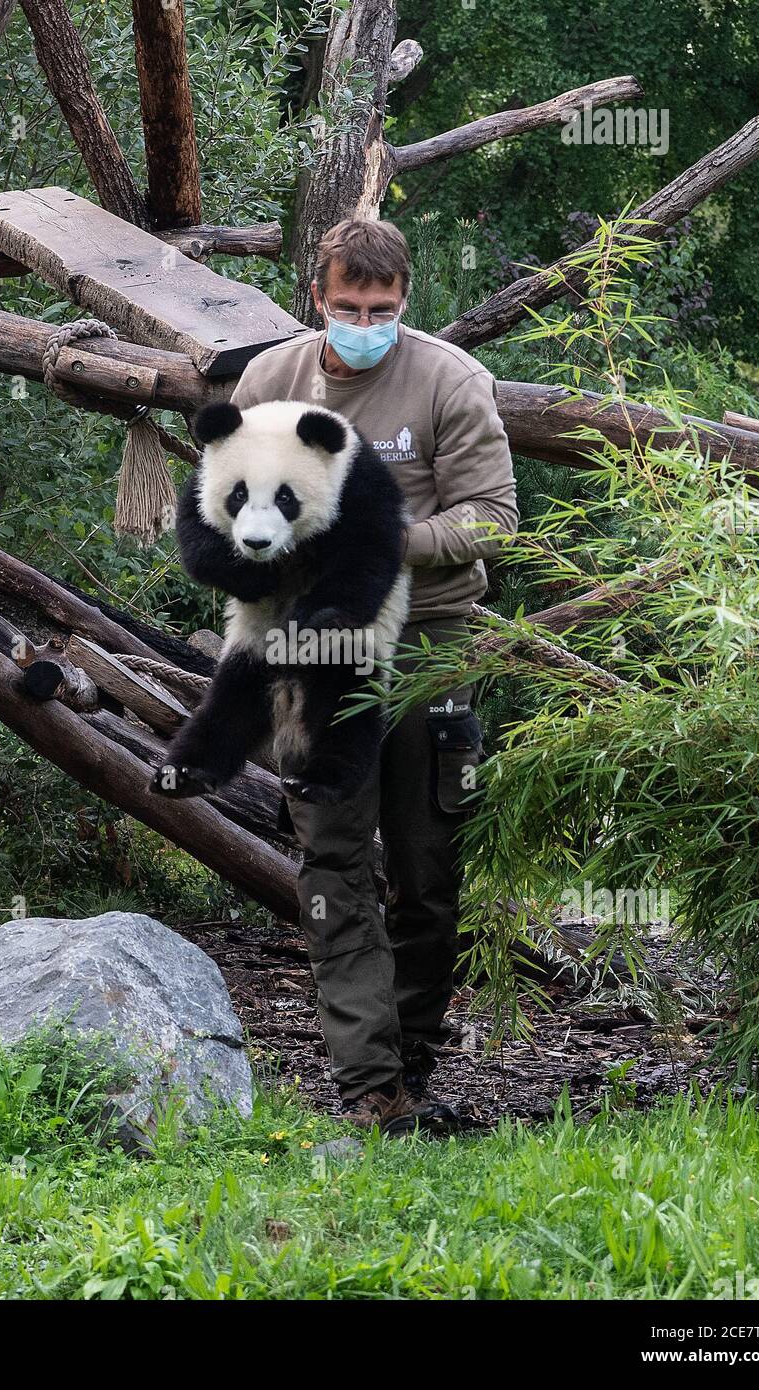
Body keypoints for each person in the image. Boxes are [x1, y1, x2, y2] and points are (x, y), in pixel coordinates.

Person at [230, 218, 519, 1132]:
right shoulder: (267, 380)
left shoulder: (446, 380)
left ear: (404, 301)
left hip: (428, 648)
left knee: (429, 878)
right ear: (318, 297)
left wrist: (391, 541)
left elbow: (496, 518)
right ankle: (368, 1090)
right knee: (333, 864)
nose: (364, 322)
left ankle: (412, 1064)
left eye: (382, 309)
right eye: (348, 306)